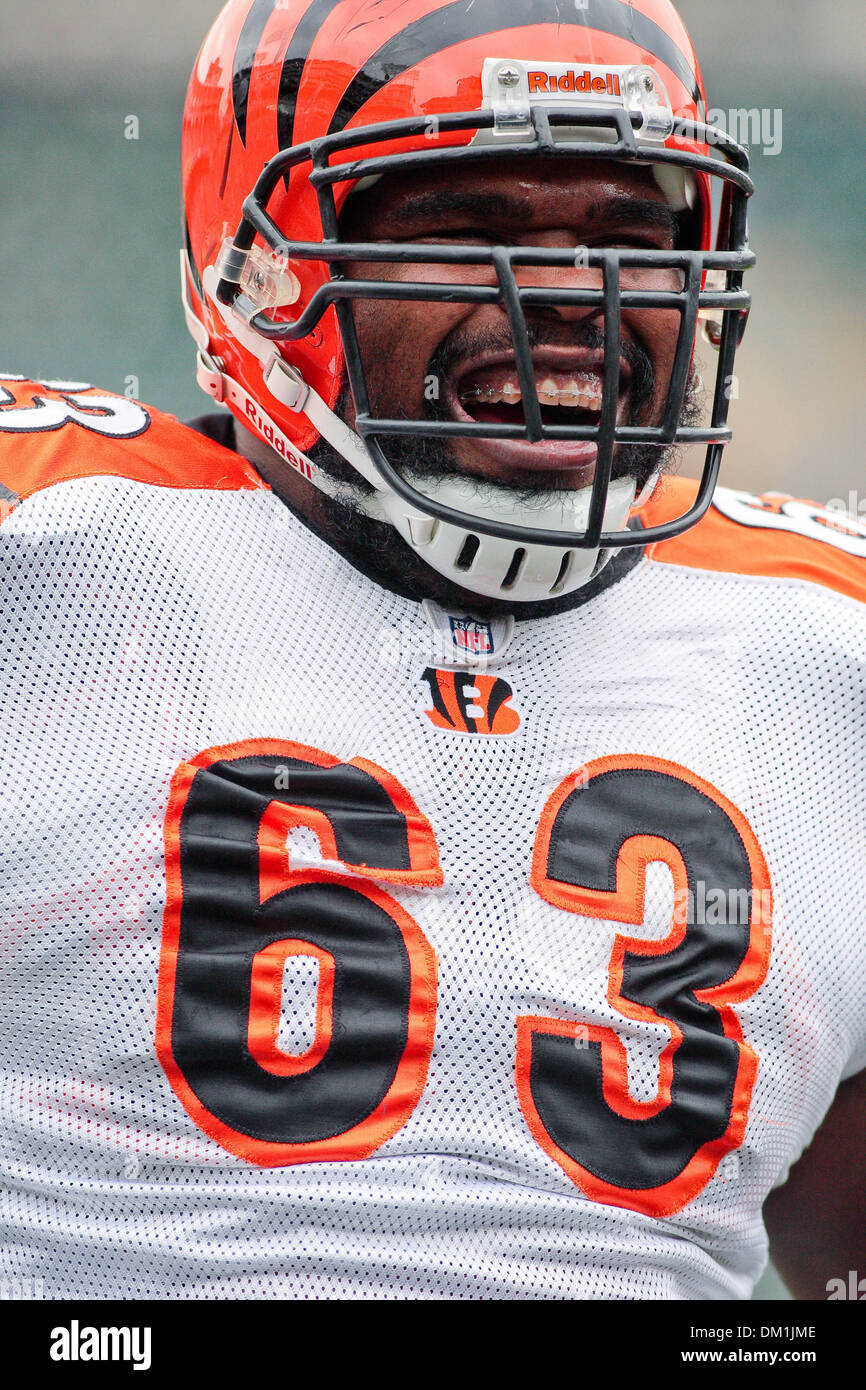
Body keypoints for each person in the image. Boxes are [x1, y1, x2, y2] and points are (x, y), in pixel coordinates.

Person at [0, 0, 863, 1301]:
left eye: (629, 236)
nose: (570, 299)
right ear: (264, 258)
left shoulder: (821, 640)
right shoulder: (48, 544)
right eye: (468, 233)